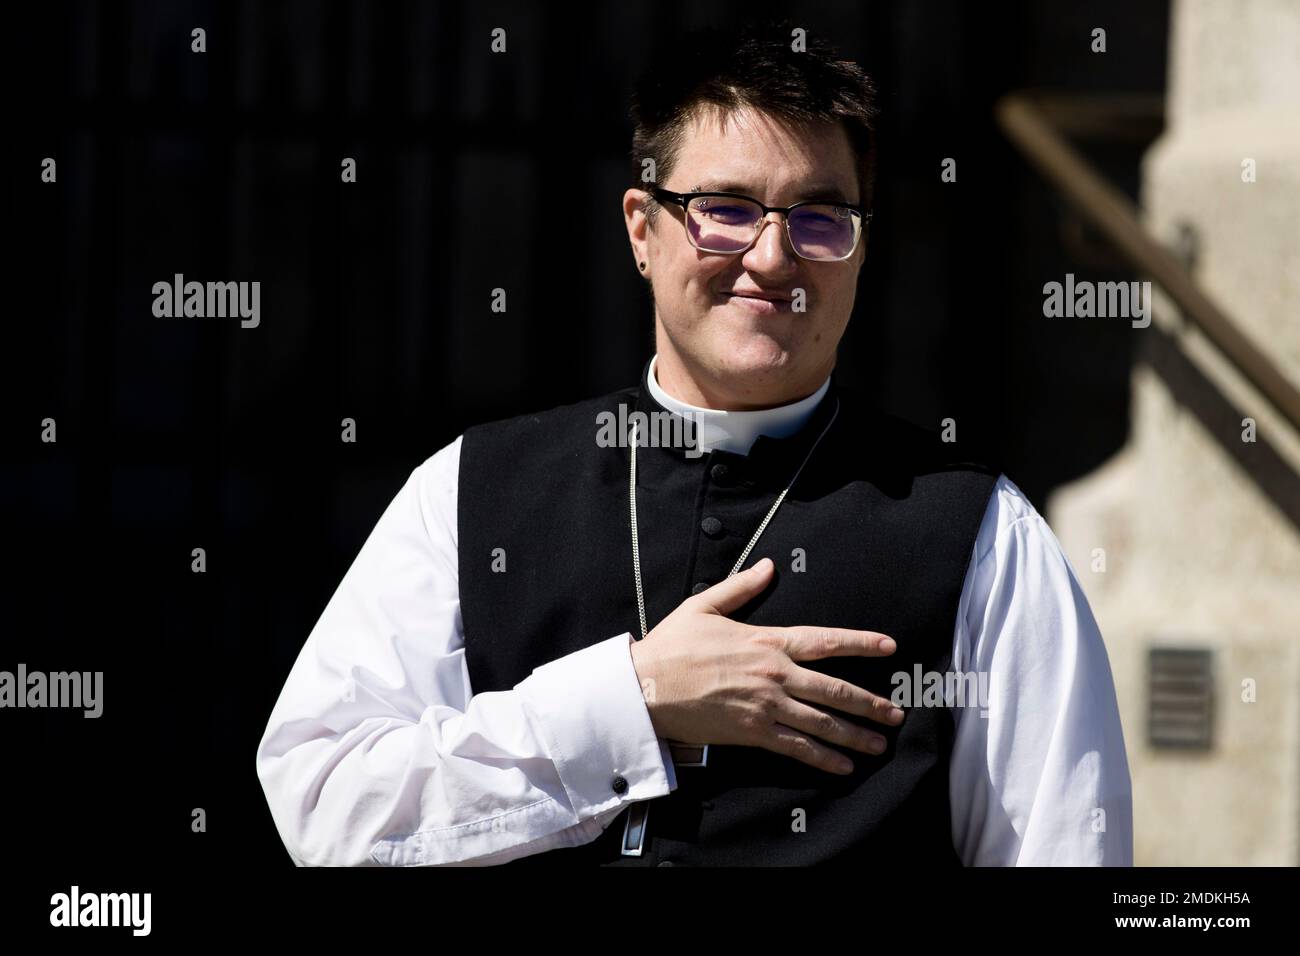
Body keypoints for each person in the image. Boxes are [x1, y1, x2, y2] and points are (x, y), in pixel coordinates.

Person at [255, 23, 1132, 867]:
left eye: (820, 219)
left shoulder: (981, 533)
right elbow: (324, 803)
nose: (774, 257)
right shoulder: (471, 489)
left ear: (862, 251)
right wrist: (629, 700)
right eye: (725, 210)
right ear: (643, 228)